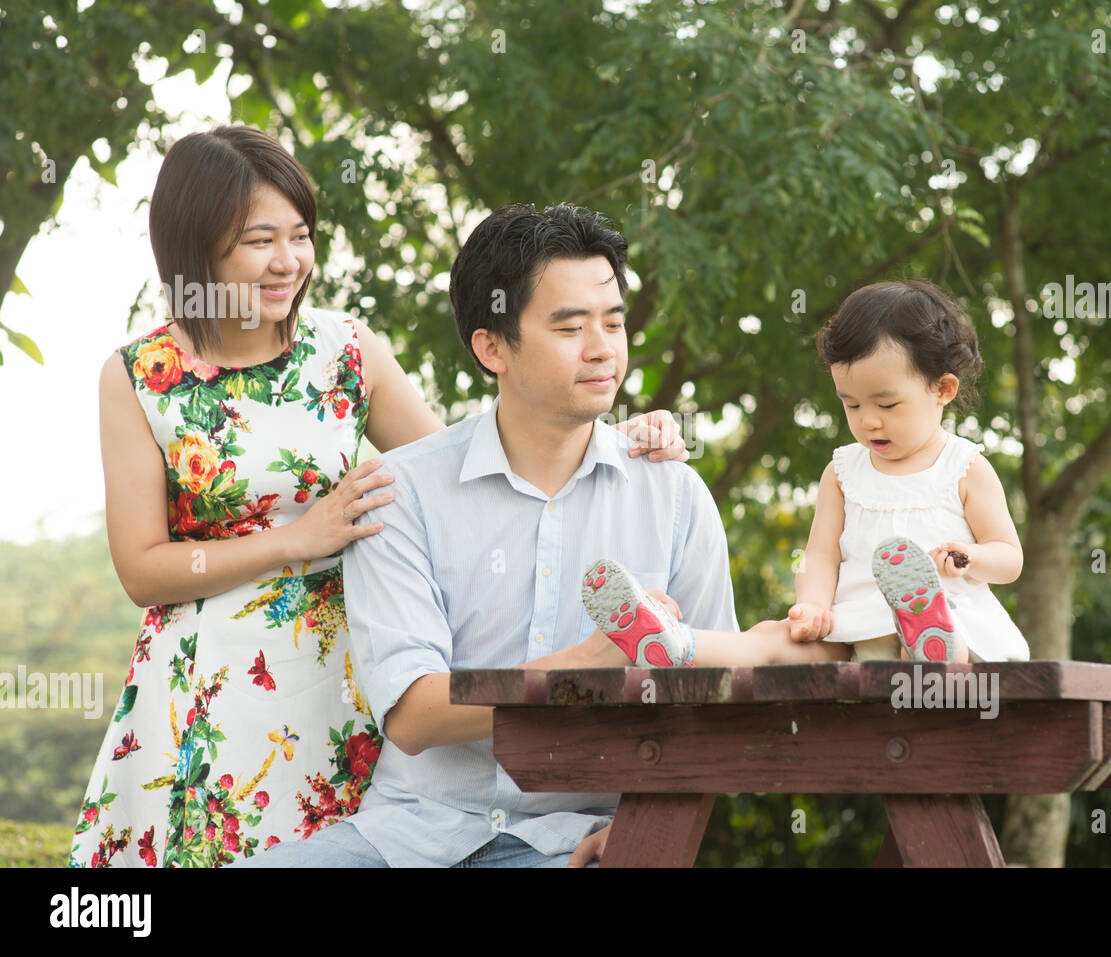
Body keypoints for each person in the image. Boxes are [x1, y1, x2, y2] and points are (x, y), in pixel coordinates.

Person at [68, 126, 687, 868]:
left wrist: (621, 432)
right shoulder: (139, 376)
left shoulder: (345, 351)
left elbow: (469, 469)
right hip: (211, 682)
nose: (289, 260)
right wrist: (299, 538)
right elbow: (141, 567)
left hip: (344, 682)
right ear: (195, 245)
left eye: (300, 235)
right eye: (259, 240)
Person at [232, 202, 841, 869]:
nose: (603, 346)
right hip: (407, 838)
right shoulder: (401, 492)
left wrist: (650, 823)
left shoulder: (672, 495)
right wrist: (589, 661)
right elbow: (415, 711)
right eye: (570, 326)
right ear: (492, 345)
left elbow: (719, 697)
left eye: (613, 321)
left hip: (571, 843)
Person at [783, 279, 1031, 664]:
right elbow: (819, 557)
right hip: (858, 626)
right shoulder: (842, 473)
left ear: (943, 390)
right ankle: (688, 645)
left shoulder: (964, 467)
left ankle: (932, 639)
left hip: (950, 614)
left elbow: (1009, 558)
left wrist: (970, 557)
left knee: (926, 648)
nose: (868, 423)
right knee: (775, 641)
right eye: (851, 406)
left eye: (887, 405)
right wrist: (812, 605)